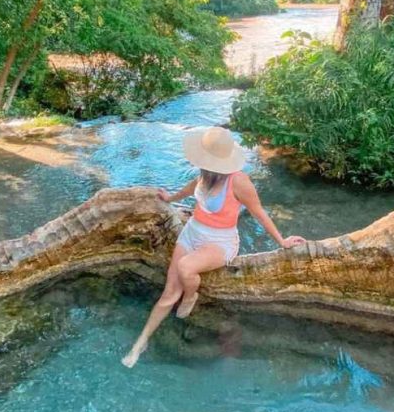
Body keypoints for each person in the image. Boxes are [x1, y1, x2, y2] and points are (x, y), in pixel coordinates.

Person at [122, 126, 305, 368]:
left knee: (186, 268)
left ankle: (190, 296)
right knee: (168, 294)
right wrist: (170, 199)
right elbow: (190, 190)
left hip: (220, 242)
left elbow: (258, 212)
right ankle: (141, 342)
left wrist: (281, 241)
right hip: (192, 233)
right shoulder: (204, 174)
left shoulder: (239, 181)